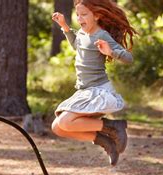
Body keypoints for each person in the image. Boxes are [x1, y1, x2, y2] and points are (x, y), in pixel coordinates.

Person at [51, 0, 136, 166]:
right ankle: (106, 142)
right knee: (57, 127)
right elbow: (77, 45)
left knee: (65, 122)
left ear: (97, 15)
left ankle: (113, 126)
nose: (80, 18)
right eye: (77, 15)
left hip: (98, 91)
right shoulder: (82, 33)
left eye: (84, 14)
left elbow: (128, 57)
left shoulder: (102, 35)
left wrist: (110, 51)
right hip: (84, 91)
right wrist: (65, 26)